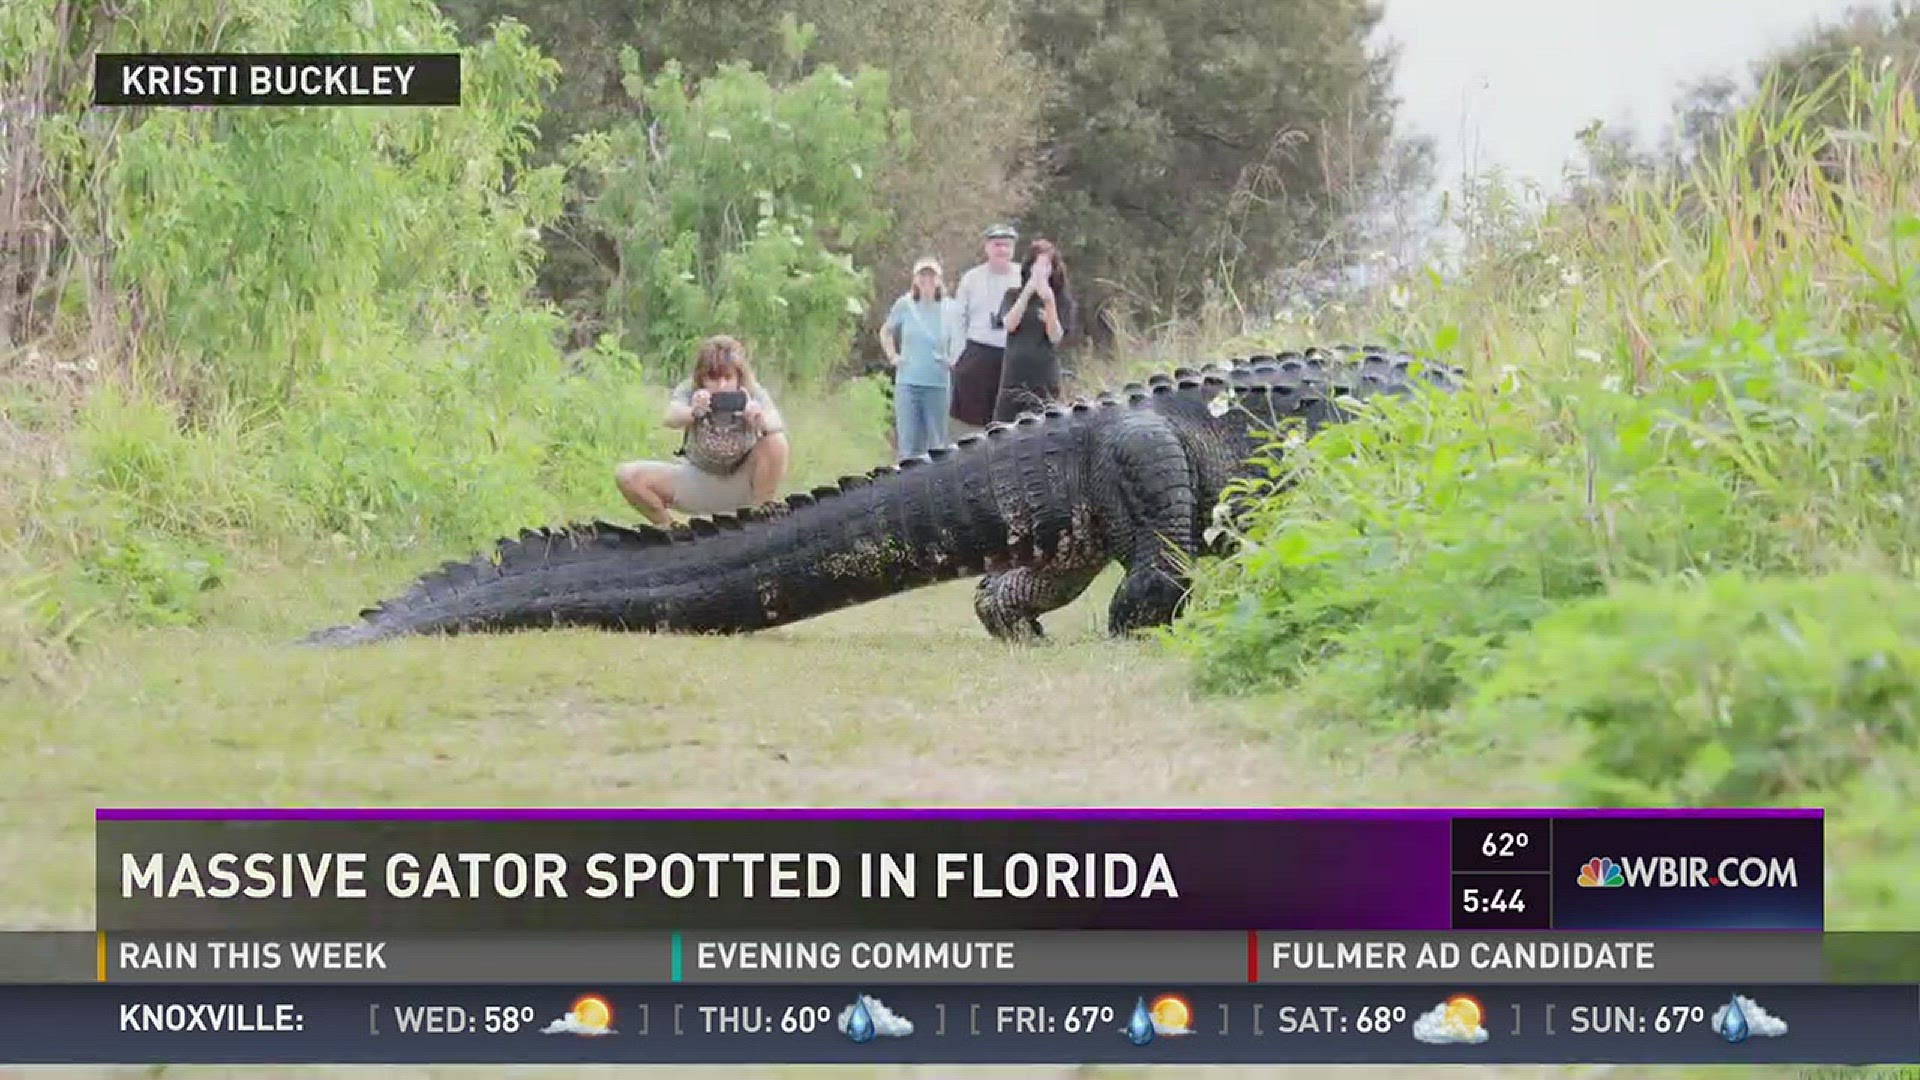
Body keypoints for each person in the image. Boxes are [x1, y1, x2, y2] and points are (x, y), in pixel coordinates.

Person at [614, 335, 790, 527]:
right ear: (702, 378)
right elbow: (670, 417)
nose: (721, 386)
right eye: (713, 378)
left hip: (743, 480)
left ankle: (761, 519)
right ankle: (671, 531)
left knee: (776, 442)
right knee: (627, 476)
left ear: (739, 377)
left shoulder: (752, 391)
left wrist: (758, 417)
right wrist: (693, 412)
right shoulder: (691, 390)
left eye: (728, 378)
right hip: (699, 478)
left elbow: (776, 423)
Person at [948, 224, 1024, 436]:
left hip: (1011, 353)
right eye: (997, 245)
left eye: (1007, 246)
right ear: (987, 248)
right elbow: (958, 318)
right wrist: (958, 356)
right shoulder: (972, 278)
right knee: (972, 420)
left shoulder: (1022, 277)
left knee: (1007, 420)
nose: (1002, 250)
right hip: (977, 351)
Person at [879, 257, 956, 459]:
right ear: (915, 279)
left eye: (932, 275)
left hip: (937, 383)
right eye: (923, 275)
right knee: (909, 444)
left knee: (937, 444)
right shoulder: (905, 304)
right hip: (908, 383)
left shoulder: (950, 307)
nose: (927, 280)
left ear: (939, 280)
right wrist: (893, 357)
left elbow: (961, 336)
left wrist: (953, 358)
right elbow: (886, 331)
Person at [992, 238, 1073, 423]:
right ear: (1029, 268)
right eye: (1038, 266)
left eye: (1046, 267)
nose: (1041, 272)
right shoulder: (1012, 294)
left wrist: (1049, 302)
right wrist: (1027, 292)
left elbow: (1055, 336)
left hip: (1044, 379)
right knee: (1003, 430)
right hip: (1013, 377)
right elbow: (1009, 324)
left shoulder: (1062, 300)